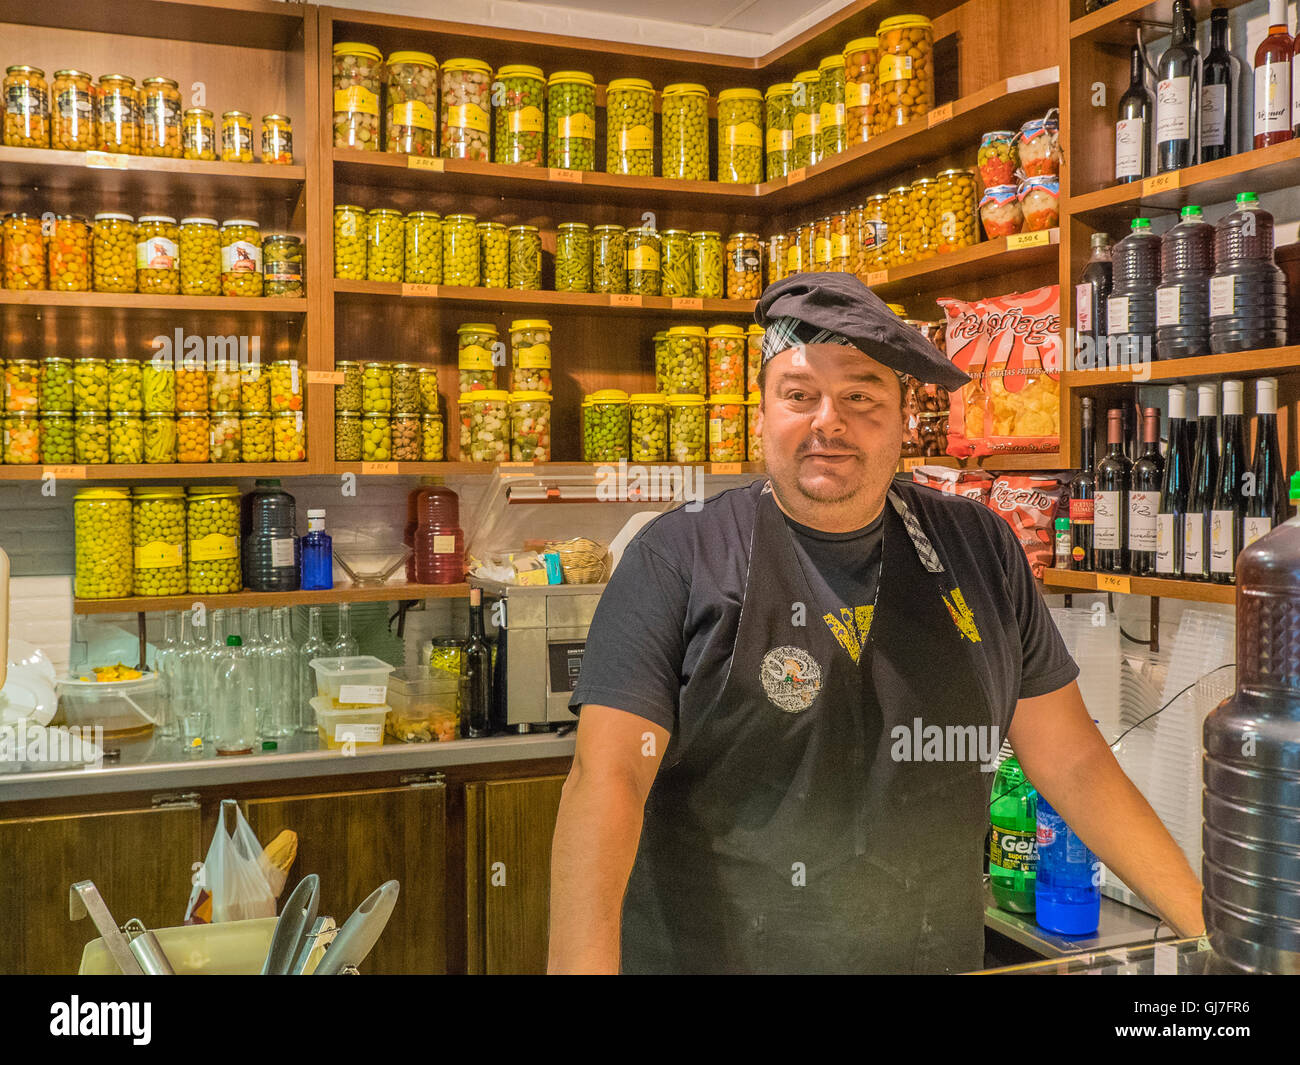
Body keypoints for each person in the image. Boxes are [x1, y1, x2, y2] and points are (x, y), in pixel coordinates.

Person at [549, 273, 1205, 975]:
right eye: (799, 395)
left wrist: (1212, 929)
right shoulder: (678, 556)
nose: (827, 420)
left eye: (860, 396)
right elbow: (607, 778)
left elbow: (1073, 763)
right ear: (763, 413)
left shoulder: (980, 548)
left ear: (902, 417)